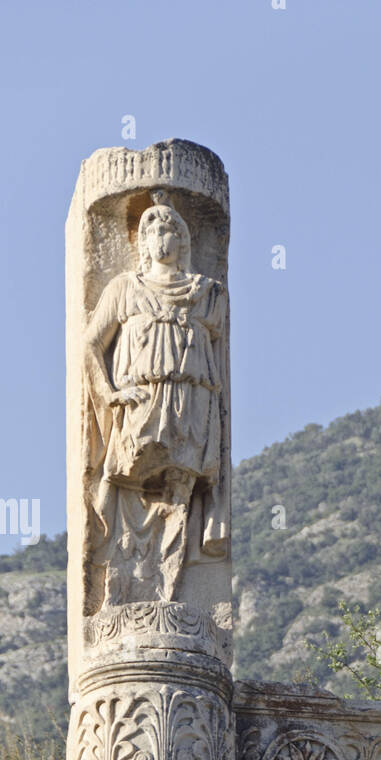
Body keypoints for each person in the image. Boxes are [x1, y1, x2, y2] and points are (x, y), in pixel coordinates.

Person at [84, 191, 228, 606]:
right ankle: (123, 590)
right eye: (153, 231)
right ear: (142, 243)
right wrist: (109, 394)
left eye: (170, 230)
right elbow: (91, 344)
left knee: (179, 494)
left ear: (183, 241)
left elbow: (218, 359)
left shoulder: (208, 293)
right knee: (128, 484)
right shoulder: (124, 288)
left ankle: (169, 591)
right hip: (141, 405)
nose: (162, 238)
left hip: (191, 405)